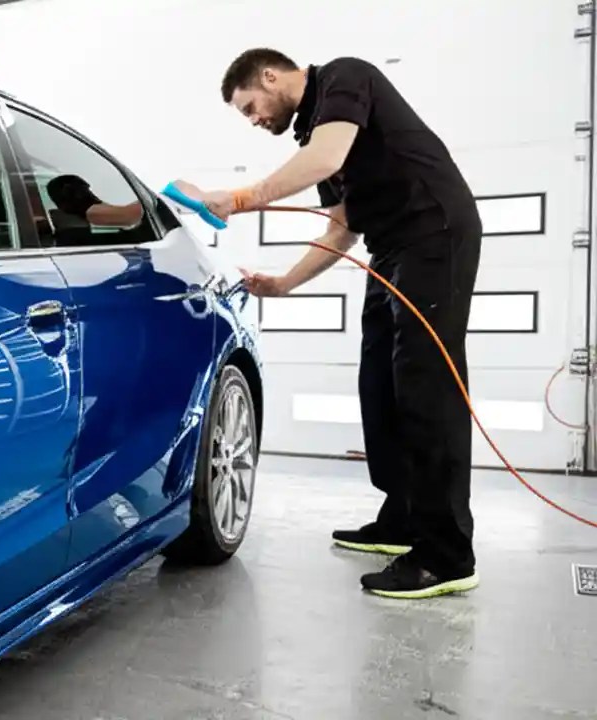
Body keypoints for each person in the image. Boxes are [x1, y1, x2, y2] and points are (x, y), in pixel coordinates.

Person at [194, 48, 483, 599]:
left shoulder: (344, 79)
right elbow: (340, 231)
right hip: (391, 247)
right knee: (380, 384)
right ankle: (403, 519)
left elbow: (325, 159)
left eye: (250, 107)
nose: (254, 120)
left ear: (271, 76)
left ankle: (447, 556)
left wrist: (237, 198)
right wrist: (283, 284)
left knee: (428, 388)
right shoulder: (318, 133)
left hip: (435, 233)